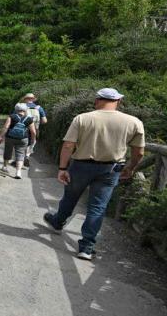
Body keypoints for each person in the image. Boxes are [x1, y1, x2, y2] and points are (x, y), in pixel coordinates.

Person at [44, 88, 145, 261]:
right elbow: (139, 152)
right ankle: (86, 247)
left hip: (81, 166)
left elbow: (68, 145)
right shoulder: (133, 122)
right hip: (111, 169)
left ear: (97, 100)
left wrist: (62, 168)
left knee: (70, 197)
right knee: (97, 207)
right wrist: (130, 167)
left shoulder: (83, 118)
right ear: (118, 101)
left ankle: (58, 222)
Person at [0, 103, 37, 179]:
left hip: (10, 137)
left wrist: (1, 136)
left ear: (16, 109)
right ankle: (18, 172)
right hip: (23, 139)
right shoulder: (29, 119)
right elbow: (33, 132)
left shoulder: (12, 116)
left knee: (8, 151)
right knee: (20, 154)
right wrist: (33, 140)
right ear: (25, 110)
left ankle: (5, 167)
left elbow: (6, 127)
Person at [21, 93, 47, 166]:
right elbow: (45, 121)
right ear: (33, 99)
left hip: (23, 128)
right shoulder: (39, 108)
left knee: (22, 143)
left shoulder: (21, 107)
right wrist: (37, 122)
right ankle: (27, 156)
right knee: (32, 142)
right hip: (35, 129)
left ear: (25, 99)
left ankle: (20, 158)